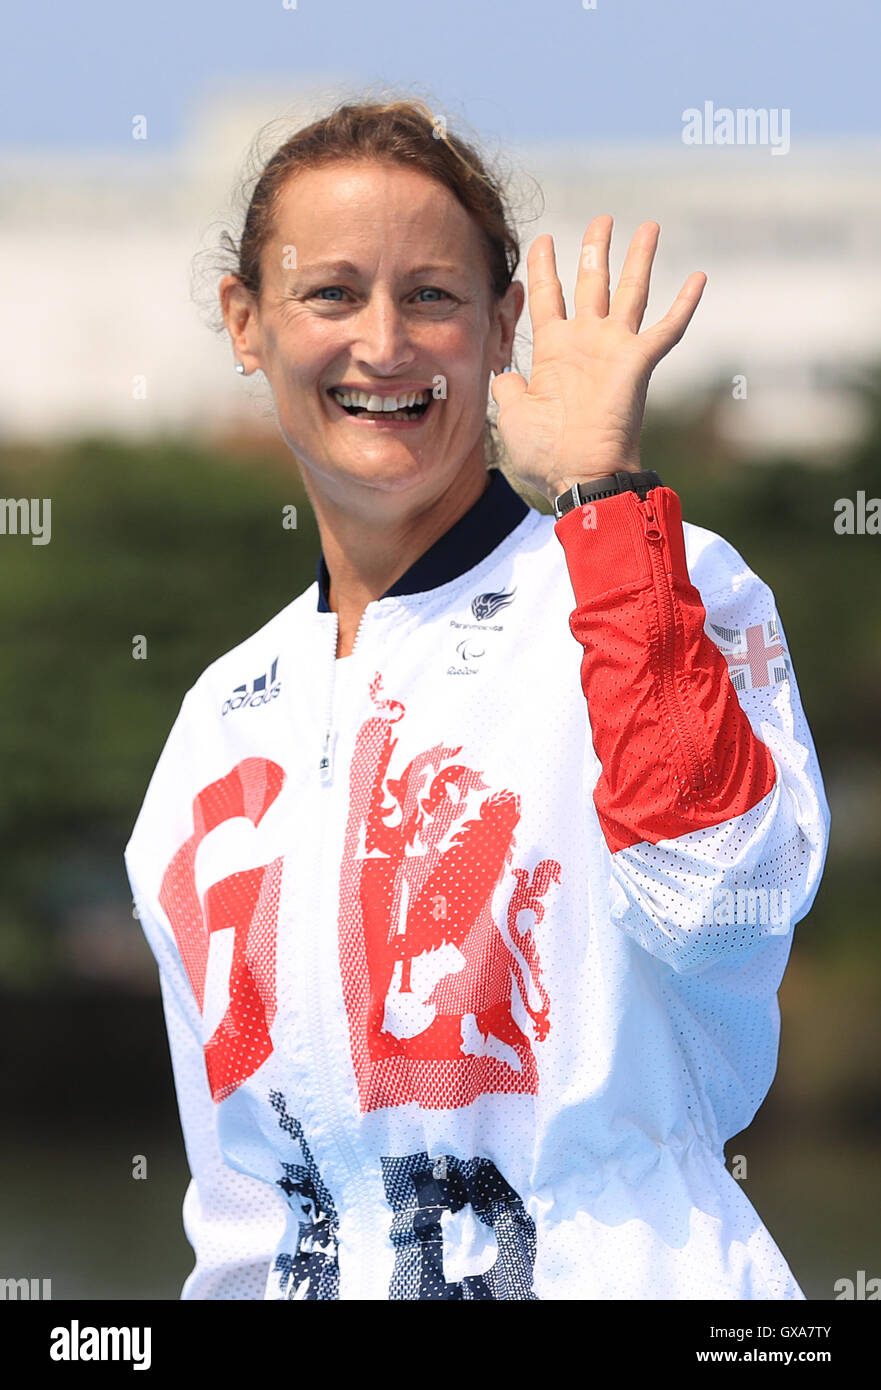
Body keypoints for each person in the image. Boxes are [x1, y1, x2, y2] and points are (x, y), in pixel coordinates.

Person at [124, 96, 830, 1300]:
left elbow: (729, 902)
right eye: (332, 293)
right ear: (247, 322)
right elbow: (244, 1206)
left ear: (503, 325)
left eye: (434, 296)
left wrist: (603, 499)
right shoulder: (212, 724)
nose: (385, 345)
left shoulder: (652, 578)